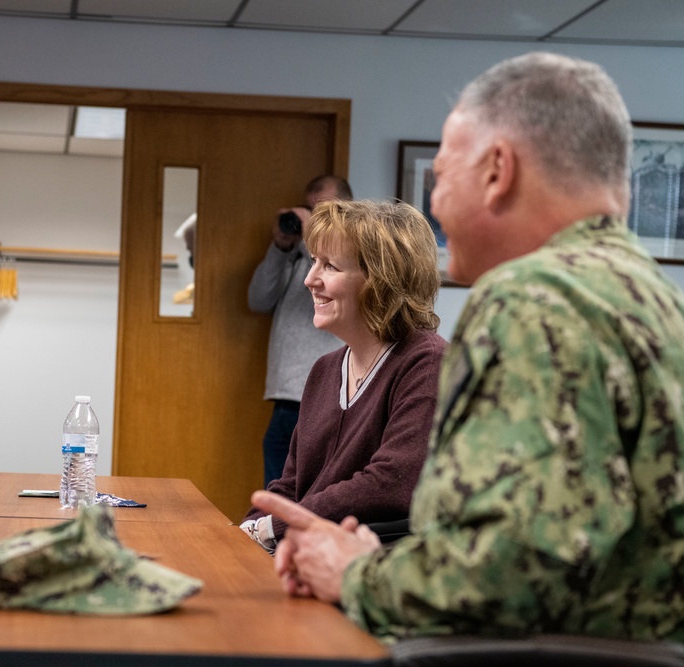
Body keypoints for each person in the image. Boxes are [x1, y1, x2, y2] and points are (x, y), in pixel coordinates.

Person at [252, 52, 684, 642]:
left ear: (498, 170)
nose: (434, 207)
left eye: (443, 177)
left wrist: (354, 572)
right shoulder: (651, 294)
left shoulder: (531, 299)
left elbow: (506, 571)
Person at [241, 199, 447, 553]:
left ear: (381, 280)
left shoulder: (427, 362)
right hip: (305, 555)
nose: (309, 280)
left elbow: (390, 484)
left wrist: (273, 527)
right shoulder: (324, 370)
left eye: (330, 267)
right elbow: (290, 486)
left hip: (370, 574)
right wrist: (248, 528)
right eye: (313, 262)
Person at [248, 175, 352, 487]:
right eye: (309, 208)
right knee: (281, 483)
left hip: (322, 390)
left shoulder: (347, 254)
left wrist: (312, 239)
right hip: (287, 391)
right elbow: (257, 300)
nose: (312, 215)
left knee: (303, 487)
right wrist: (280, 248)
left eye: (320, 207)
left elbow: (337, 300)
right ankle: (275, 534)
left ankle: (284, 534)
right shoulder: (298, 254)